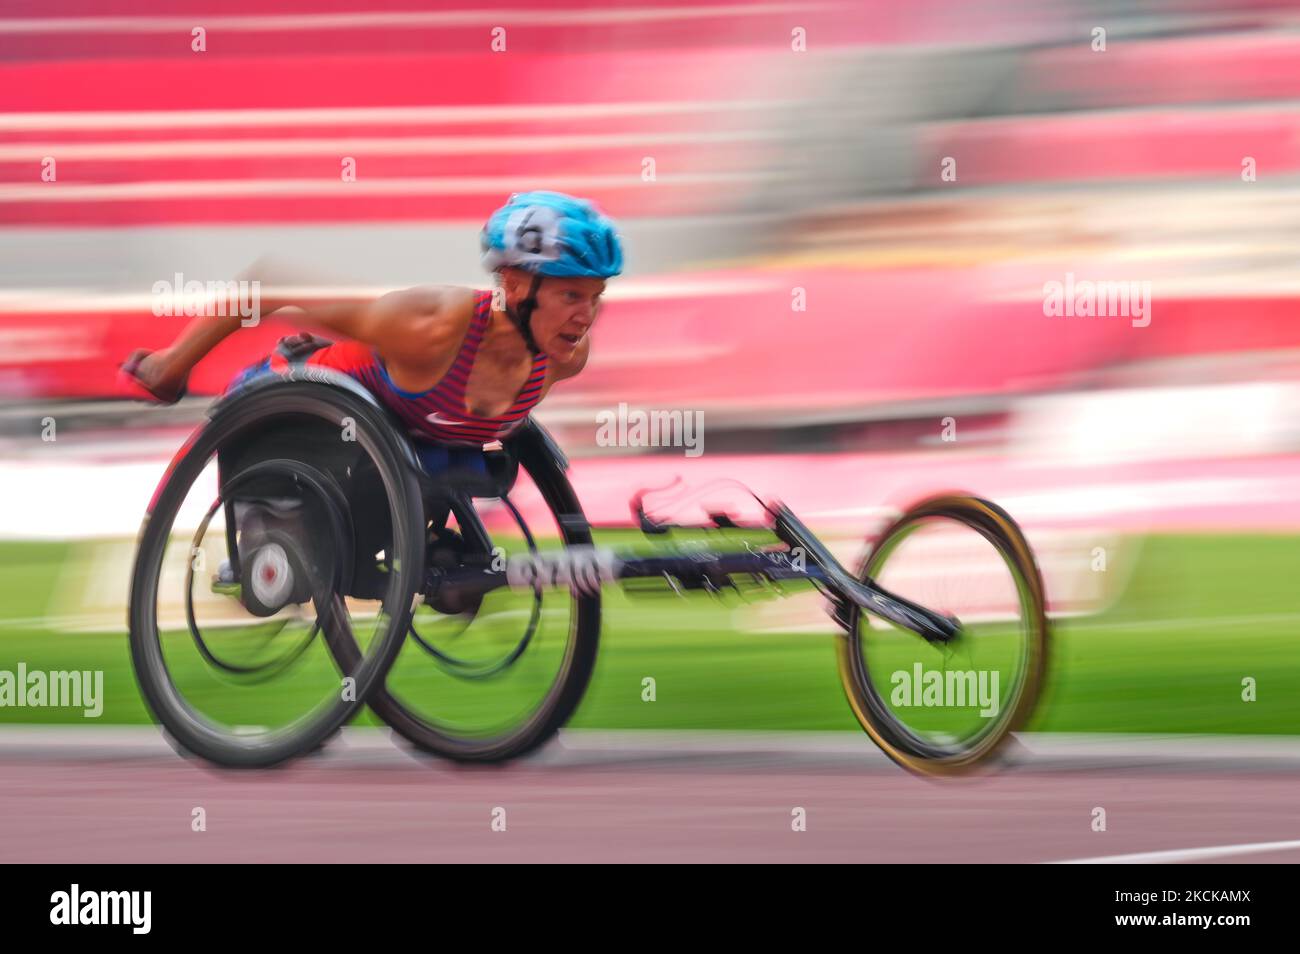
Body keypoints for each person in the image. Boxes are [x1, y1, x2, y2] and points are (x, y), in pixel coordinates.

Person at [120, 190, 623, 475]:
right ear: (514, 284)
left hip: (402, 457)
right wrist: (171, 367)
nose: (587, 316)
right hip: (294, 415)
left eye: (595, 296)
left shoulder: (565, 358)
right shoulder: (433, 328)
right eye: (570, 296)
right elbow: (270, 280)